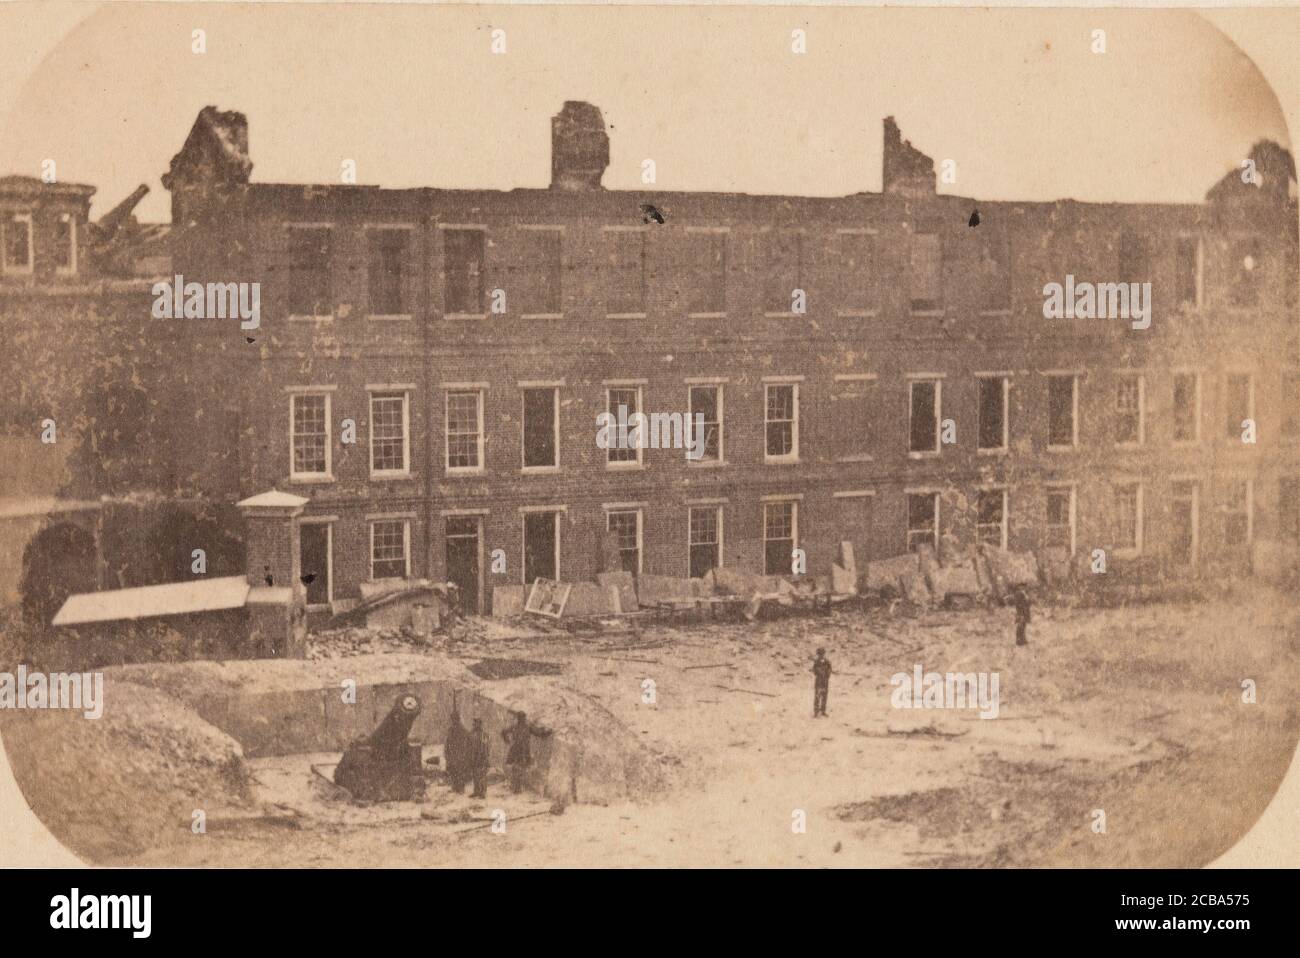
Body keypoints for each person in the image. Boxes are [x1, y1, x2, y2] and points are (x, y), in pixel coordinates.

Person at [501, 710, 552, 793]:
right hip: (522, 749)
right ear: (522, 718)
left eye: (522, 718)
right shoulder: (525, 727)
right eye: (522, 718)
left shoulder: (517, 726)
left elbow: (503, 732)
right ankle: (517, 786)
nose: (522, 719)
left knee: (517, 767)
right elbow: (539, 733)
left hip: (518, 749)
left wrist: (507, 740)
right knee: (519, 767)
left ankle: (517, 786)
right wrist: (548, 732)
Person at [444, 702, 470, 794]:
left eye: (454, 719)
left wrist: (465, 754)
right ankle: (455, 787)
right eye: (452, 719)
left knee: (459, 772)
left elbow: (467, 742)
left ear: (457, 719)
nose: (453, 721)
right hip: (453, 755)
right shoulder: (450, 730)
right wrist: (446, 753)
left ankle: (460, 788)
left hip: (459, 755)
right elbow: (447, 742)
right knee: (453, 771)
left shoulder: (462, 730)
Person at [468, 718, 490, 799]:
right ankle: (476, 791)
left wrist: (484, 757)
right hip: (474, 758)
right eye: (474, 724)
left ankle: (482, 792)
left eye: (476, 723)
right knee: (475, 775)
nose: (474, 725)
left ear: (480, 724)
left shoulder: (484, 734)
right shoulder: (471, 734)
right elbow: (469, 745)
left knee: (482, 775)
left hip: (482, 757)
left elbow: (486, 747)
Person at [812, 648, 832, 717]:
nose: (821, 655)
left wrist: (827, 675)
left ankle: (823, 711)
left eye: (822, 654)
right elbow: (814, 670)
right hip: (819, 681)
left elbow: (830, 669)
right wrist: (819, 672)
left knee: (824, 696)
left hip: (825, 682)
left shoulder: (827, 661)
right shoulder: (816, 662)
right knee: (817, 696)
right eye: (819, 654)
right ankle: (816, 712)